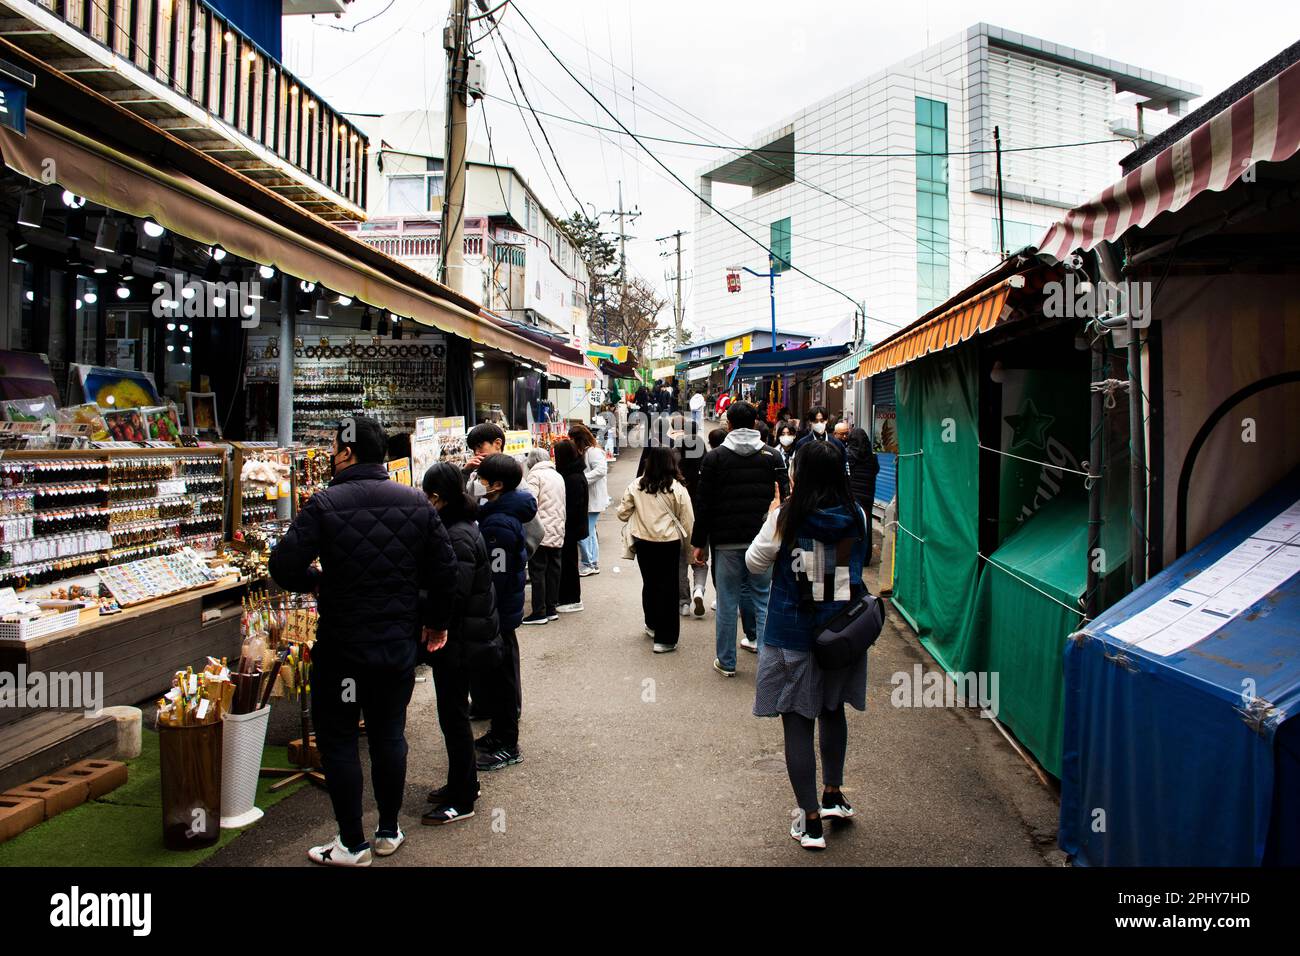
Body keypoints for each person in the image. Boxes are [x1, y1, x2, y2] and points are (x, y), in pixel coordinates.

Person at [269, 416, 458, 866]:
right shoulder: (416, 503)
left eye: (334, 448)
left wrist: (316, 580)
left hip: (342, 648)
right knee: (389, 734)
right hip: (396, 646)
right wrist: (435, 622)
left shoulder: (325, 504)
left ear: (348, 452)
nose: (332, 456)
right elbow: (445, 570)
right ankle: (388, 831)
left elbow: (282, 566)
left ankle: (351, 842)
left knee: (337, 740)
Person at [745, 440, 871, 851]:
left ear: (799, 474)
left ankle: (810, 819)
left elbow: (754, 562)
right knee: (833, 710)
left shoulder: (785, 517)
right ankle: (833, 793)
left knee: (798, 721)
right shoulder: (858, 515)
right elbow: (855, 563)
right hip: (840, 634)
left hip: (792, 634)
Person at [419, 463, 504, 826]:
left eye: (427, 496)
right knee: (453, 716)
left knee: (453, 717)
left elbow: (454, 591)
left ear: (438, 498)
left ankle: (463, 796)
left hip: (461, 641)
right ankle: (462, 782)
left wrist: (436, 627)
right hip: (468, 636)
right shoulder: (461, 527)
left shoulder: (456, 535)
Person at [690, 400, 786, 677]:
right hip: (764, 541)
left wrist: (700, 543)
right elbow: (786, 498)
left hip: (726, 541)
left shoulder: (715, 458)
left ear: (729, 425)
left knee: (728, 601)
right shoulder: (772, 456)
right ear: (756, 424)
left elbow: (704, 504)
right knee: (763, 599)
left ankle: (727, 662)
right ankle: (769, 663)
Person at [473, 454, 536, 772]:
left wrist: (487, 608)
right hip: (503, 609)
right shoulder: (504, 510)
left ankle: (507, 743)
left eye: (481, 480)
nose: (478, 485)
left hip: (499, 611)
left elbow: (496, 573)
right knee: (500, 676)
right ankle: (498, 734)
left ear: (496, 485)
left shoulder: (498, 521)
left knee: (503, 679)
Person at [617, 445, 695, 653]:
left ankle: (651, 623)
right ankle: (665, 639)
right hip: (668, 543)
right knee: (668, 588)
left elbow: (622, 514)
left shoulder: (636, 486)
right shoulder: (678, 488)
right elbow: (688, 521)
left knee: (650, 583)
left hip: (643, 542)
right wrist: (690, 551)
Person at [521, 448, 566, 626]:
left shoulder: (535, 476)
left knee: (538, 570)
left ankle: (539, 612)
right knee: (553, 570)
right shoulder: (557, 475)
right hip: (558, 527)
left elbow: (529, 503)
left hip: (540, 530)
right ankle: (551, 608)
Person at [552, 438, 589, 612]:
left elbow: (572, 506)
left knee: (569, 563)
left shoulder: (572, 477)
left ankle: (572, 599)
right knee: (569, 562)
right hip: (572, 526)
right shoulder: (575, 472)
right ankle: (567, 597)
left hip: (570, 527)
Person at [569, 423, 609, 576]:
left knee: (584, 532)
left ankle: (588, 563)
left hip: (592, 498)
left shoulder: (592, 452)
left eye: (572, 438)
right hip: (590, 498)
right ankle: (592, 563)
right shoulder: (588, 451)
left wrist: (582, 479)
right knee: (589, 532)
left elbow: (601, 470)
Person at [844, 427, 880, 558]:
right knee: (867, 523)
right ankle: (866, 555)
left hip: (853, 494)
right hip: (869, 494)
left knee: (854, 524)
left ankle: (855, 554)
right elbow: (875, 470)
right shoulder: (872, 457)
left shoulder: (848, 454)